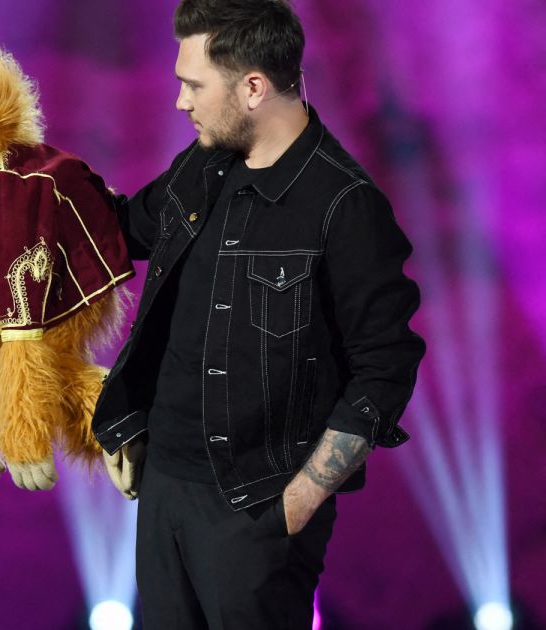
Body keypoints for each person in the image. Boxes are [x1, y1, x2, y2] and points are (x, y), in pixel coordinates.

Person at [94, 1, 425, 627]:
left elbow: (384, 367)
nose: (180, 103)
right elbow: (118, 228)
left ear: (253, 86)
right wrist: (23, 174)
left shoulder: (344, 203)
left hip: (257, 510)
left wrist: (297, 503)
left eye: (193, 85)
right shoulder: (202, 164)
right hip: (162, 487)